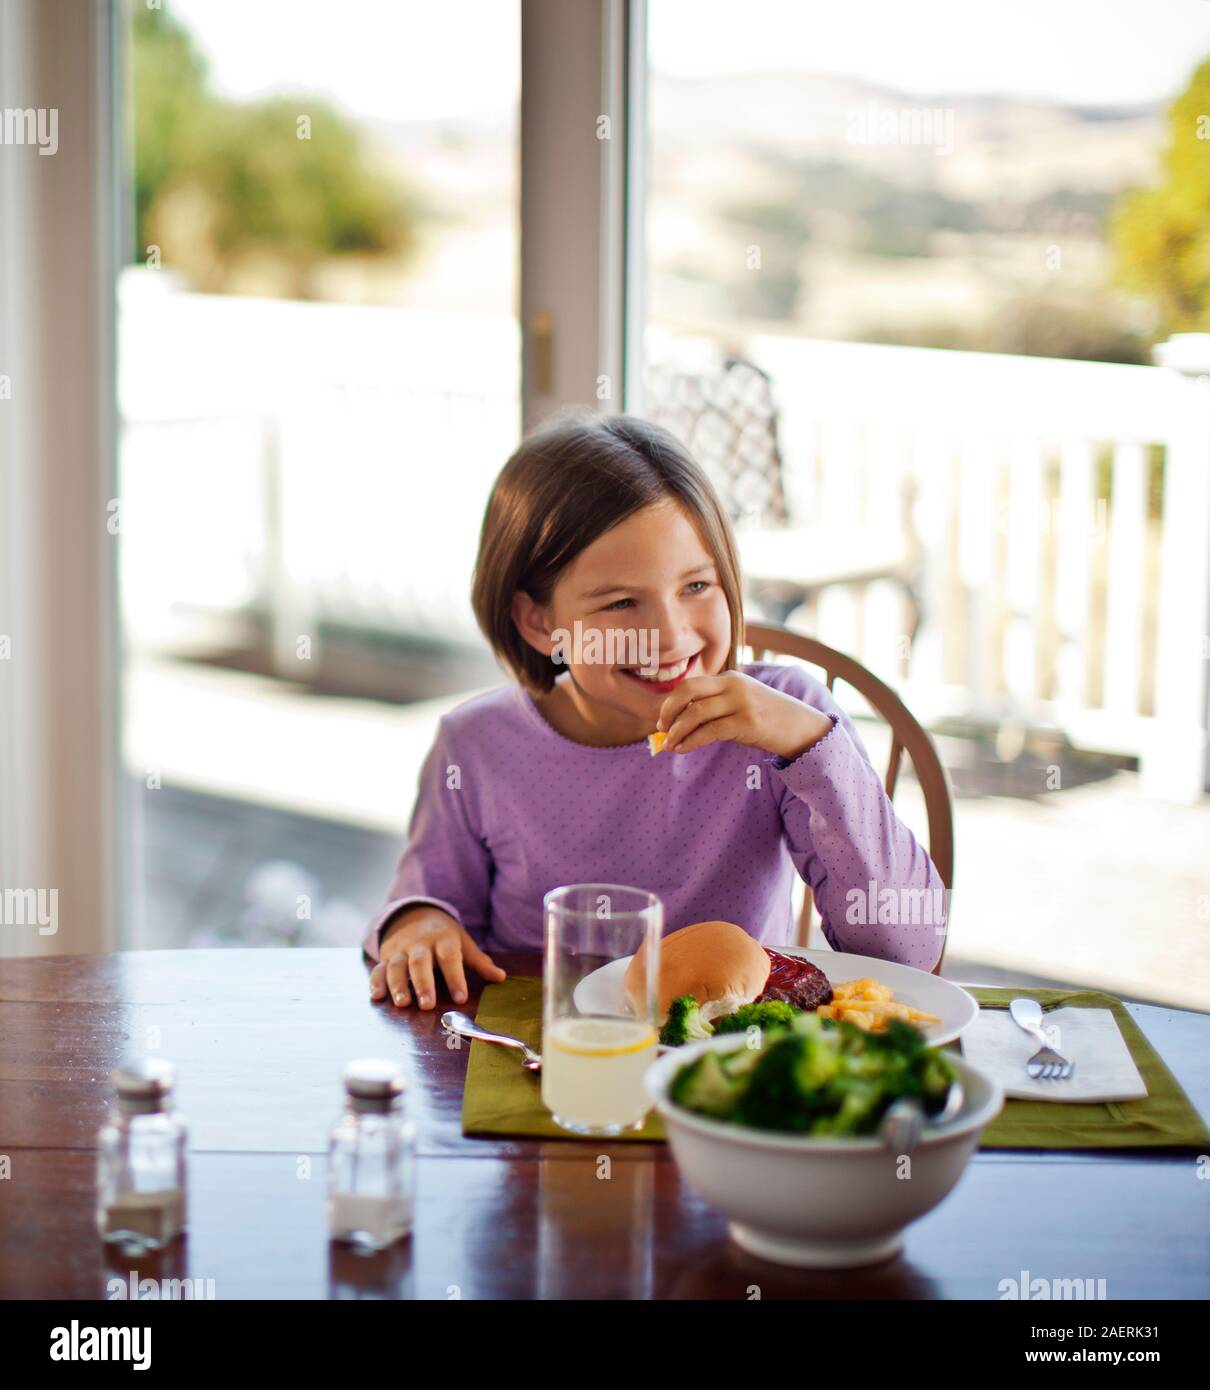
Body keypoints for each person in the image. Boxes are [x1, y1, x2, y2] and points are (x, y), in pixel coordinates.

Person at [366, 412, 945, 1010]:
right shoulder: (477, 745)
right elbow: (427, 897)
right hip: (544, 1057)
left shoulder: (788, 723)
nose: (668, 637)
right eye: (620, 602)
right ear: (540, 622)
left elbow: (904, 955)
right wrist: (419, 922)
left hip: (730, 1065)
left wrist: (806, 746)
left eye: (696, 586)